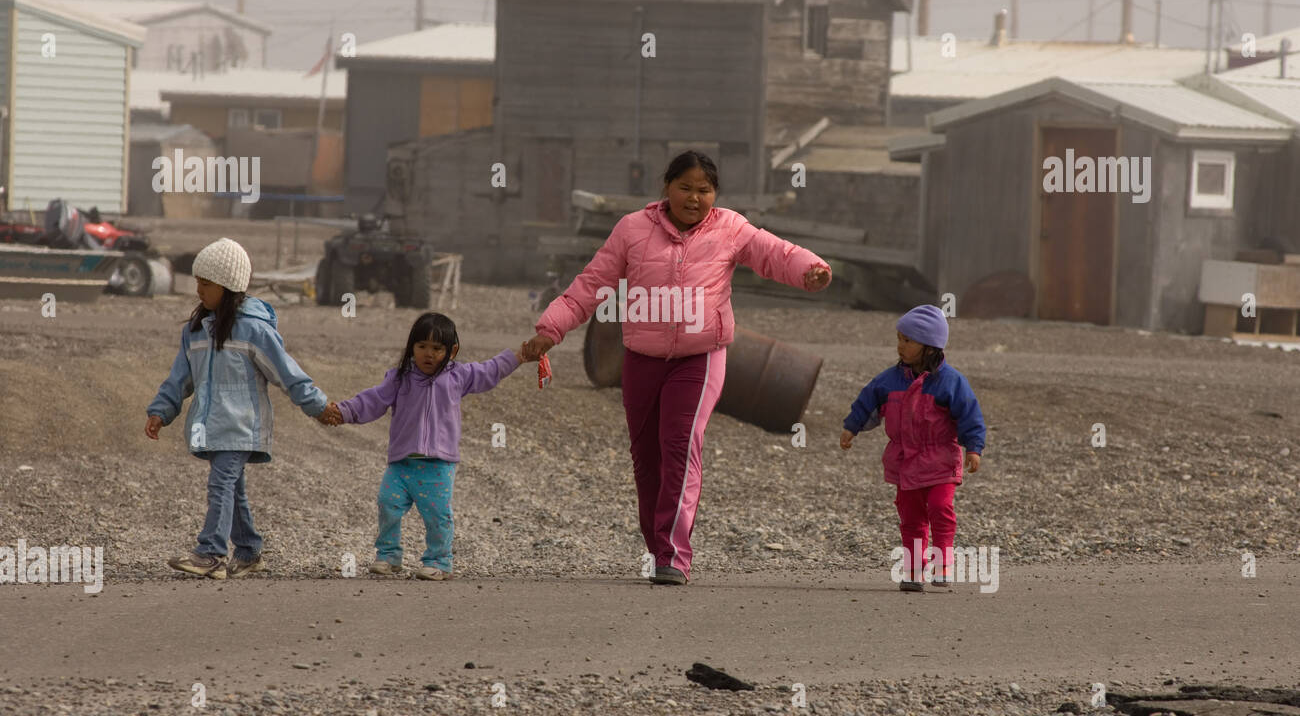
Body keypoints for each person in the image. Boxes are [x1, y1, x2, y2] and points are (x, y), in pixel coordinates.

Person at [522, 150, 832, 585]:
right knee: (646, 458)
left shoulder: (731, 228)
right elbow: (590, 285)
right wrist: (550, 328)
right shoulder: (632, 229)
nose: (694, 197)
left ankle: (673, 556)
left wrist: (810, 270)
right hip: (643, 360)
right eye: (685, 187)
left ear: (715, 195)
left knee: (681, 446)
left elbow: (774, 253)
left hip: (701, 357)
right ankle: (657, 547)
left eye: (704, 190)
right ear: (666, 188)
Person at [146, 238, 333, 580]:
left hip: (241, 427)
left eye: (205, 283)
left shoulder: (255, 330)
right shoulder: (196, 332)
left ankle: (211, 553)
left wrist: (318, 405)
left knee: (221, 485)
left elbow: (287, 373)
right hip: (210, 425)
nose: (198, 290)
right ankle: (248, 553)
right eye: (197, 282)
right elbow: (180, 378)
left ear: (229, 286)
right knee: (232, 489)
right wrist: (161, 410)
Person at [319, 313, 528, 580]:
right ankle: (388, 556)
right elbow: (372, 400)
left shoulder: (459, 376)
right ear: (411, 347)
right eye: (421, 346)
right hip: (402, 463)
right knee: (387, 504)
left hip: (438, 466)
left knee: (438, 516)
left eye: (437, 348)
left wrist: (519, 356)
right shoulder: (399, 378)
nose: (428, 354)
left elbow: (490, 370)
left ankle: (439, 561)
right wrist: (342, 412)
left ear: (452, 351)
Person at [840, 305, 986, 591]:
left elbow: (970, 415)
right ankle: (912, 571)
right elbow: (866, 401)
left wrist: (974, 448)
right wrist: (851, 427)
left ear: (930, 346)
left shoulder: (951, 382)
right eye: (898, 338)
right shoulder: (889, 379)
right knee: (910, 517)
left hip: (941, 459)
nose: (900, 346)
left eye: (907, 340)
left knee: (940, 507)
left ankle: (943, 565)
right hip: (905, 461)